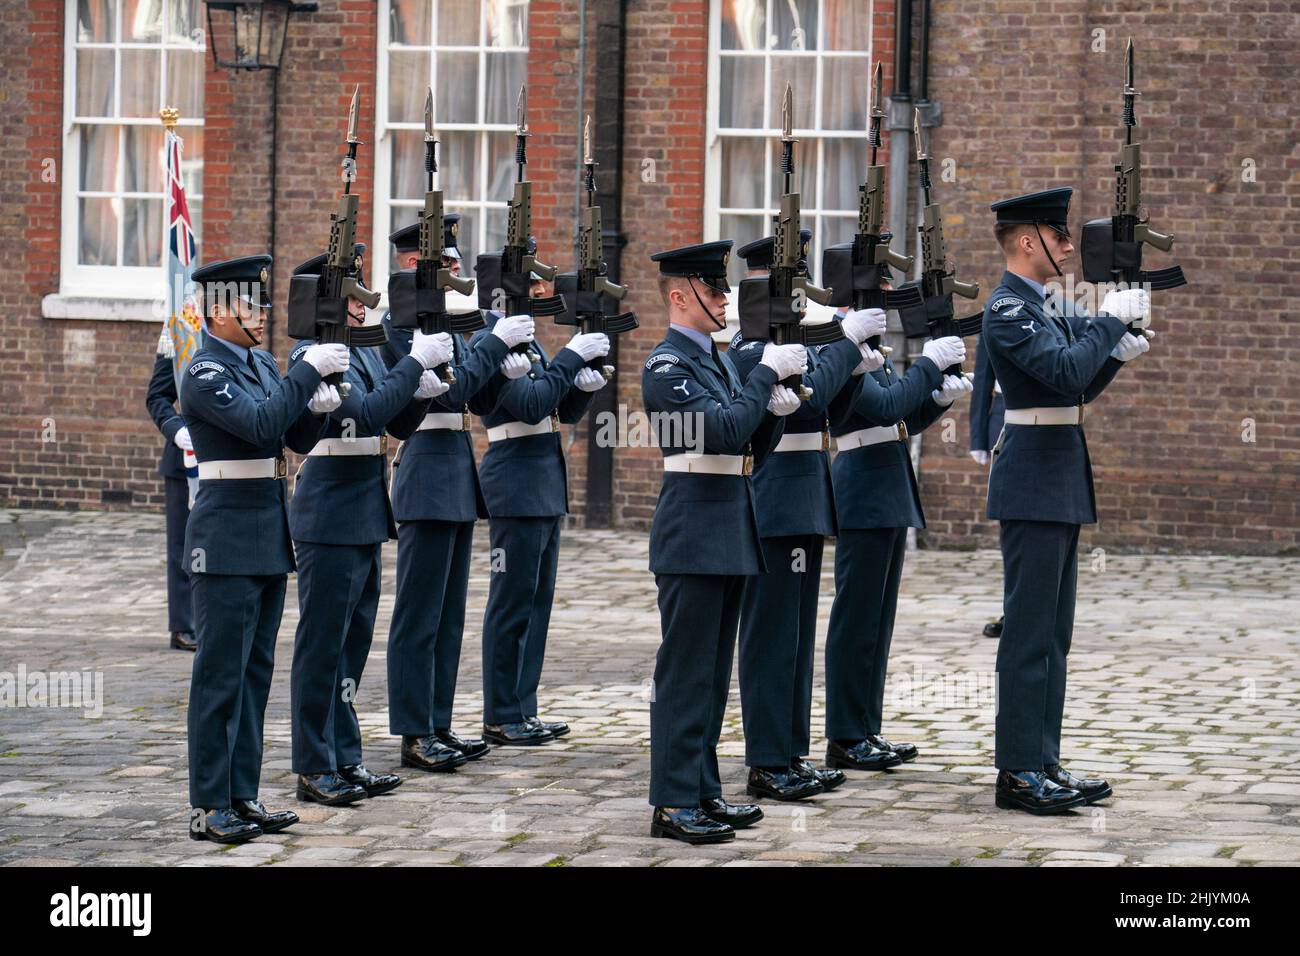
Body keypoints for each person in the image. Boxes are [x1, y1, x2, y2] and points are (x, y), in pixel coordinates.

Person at [982, 187, 1151, 814]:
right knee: (1027, 633)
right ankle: (1018, 772)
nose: (1069, 246)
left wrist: (1114, 355)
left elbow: (1075, 384)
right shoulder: (1007, 308)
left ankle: (1042, 759)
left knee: (1053, 634)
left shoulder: (1043, 305)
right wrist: (1108, 322)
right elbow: (1062, 372)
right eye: (1059, 237)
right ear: (1029, 242)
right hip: (1032, 478)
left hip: (1056, 473)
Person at [641, 239, 806, 844]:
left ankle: (703, 789)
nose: (725, 299)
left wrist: (776, 411)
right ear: (682, 296)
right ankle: (672, 801)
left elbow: (749, 447)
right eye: (714, 291)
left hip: (728, 524)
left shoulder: (713, 361)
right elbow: (722, 429)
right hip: (692, 529)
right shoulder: (667, 366)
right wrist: (763, 379)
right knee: (685, 674)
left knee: (711, 677)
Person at [181, 254, 347, 843]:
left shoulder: (257, 361)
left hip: (266, 534)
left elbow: (287, 433)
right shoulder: (203, 372)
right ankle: (208, 804)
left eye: (262, 303)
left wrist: (319, 404)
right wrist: (304, 378)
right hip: (225, 537)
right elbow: (256, 424)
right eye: (251, 304)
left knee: (255, 674)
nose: (261, 314)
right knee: (220, 676)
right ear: (220, 310)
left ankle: (242, 795)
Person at [286, 244, 454, 804]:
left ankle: (345, 753)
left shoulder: (360, 351)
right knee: (322, 643)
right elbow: (360, 415)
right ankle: (314, 763)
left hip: (362, 506)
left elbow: (392, 419)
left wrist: (422, 391)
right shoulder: (314, 355)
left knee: (353, 641)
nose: (362, 308)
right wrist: (412, 366)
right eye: (351, 297)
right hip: (329, 508)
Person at [726, 231, 881, 801]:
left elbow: (831, 408)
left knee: (794, 635)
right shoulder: (750, 348)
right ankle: (767, 760)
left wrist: (856, 362)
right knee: (771, 635)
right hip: (774, 500)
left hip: (805, 496)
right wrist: (845, 343)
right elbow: (809, 398)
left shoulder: (796, 345)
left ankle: (790, 751)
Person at [381, 217, 531, 770]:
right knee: (418, 613)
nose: (454, 271)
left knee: (447, 616)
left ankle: (439, 722)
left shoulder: (451, 322)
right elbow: (448, 395)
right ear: (412, 265)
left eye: (453, 261)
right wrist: (491, 346)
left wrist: (504, 362)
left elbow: (479, 396)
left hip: (456, 470)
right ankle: (414, 731)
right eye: (443, 263)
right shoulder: (396, 326)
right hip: (423, 464)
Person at [468, 243, 610, 747]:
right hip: (515, 480)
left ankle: (523, 707)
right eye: (530, 284)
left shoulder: (526, 342)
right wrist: (570, 358)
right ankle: (501, 712)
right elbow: (527, 405)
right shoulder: (491, 340)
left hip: (542, 479)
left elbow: (557, 411)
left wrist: (583, 383)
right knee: (511, 601)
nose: (541, 292)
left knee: (537, 601)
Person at [823, 298, 973, 772]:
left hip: (886, 481)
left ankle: (866, 727)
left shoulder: (870, 348)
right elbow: (884, 403)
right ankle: (845, 734)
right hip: (863, 486)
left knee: (878, 623)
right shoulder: (839, 348)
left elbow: (901, 418)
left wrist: (937, 399)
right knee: (857, 620)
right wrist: (929, 364)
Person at [145, 344, 197, 651]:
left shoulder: (241, 329)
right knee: (183, 544)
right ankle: (183, 624)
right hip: (184, 457)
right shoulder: (180, 332)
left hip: (228, 454)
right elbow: (157, 396)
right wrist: (176, 431)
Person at [970, 336, 1007, 639]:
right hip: (1003, 417)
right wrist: (977, 436)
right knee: (1009, 519)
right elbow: (983, 375)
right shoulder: (996, 312)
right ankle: (1011, 604)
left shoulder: (1060, 311)